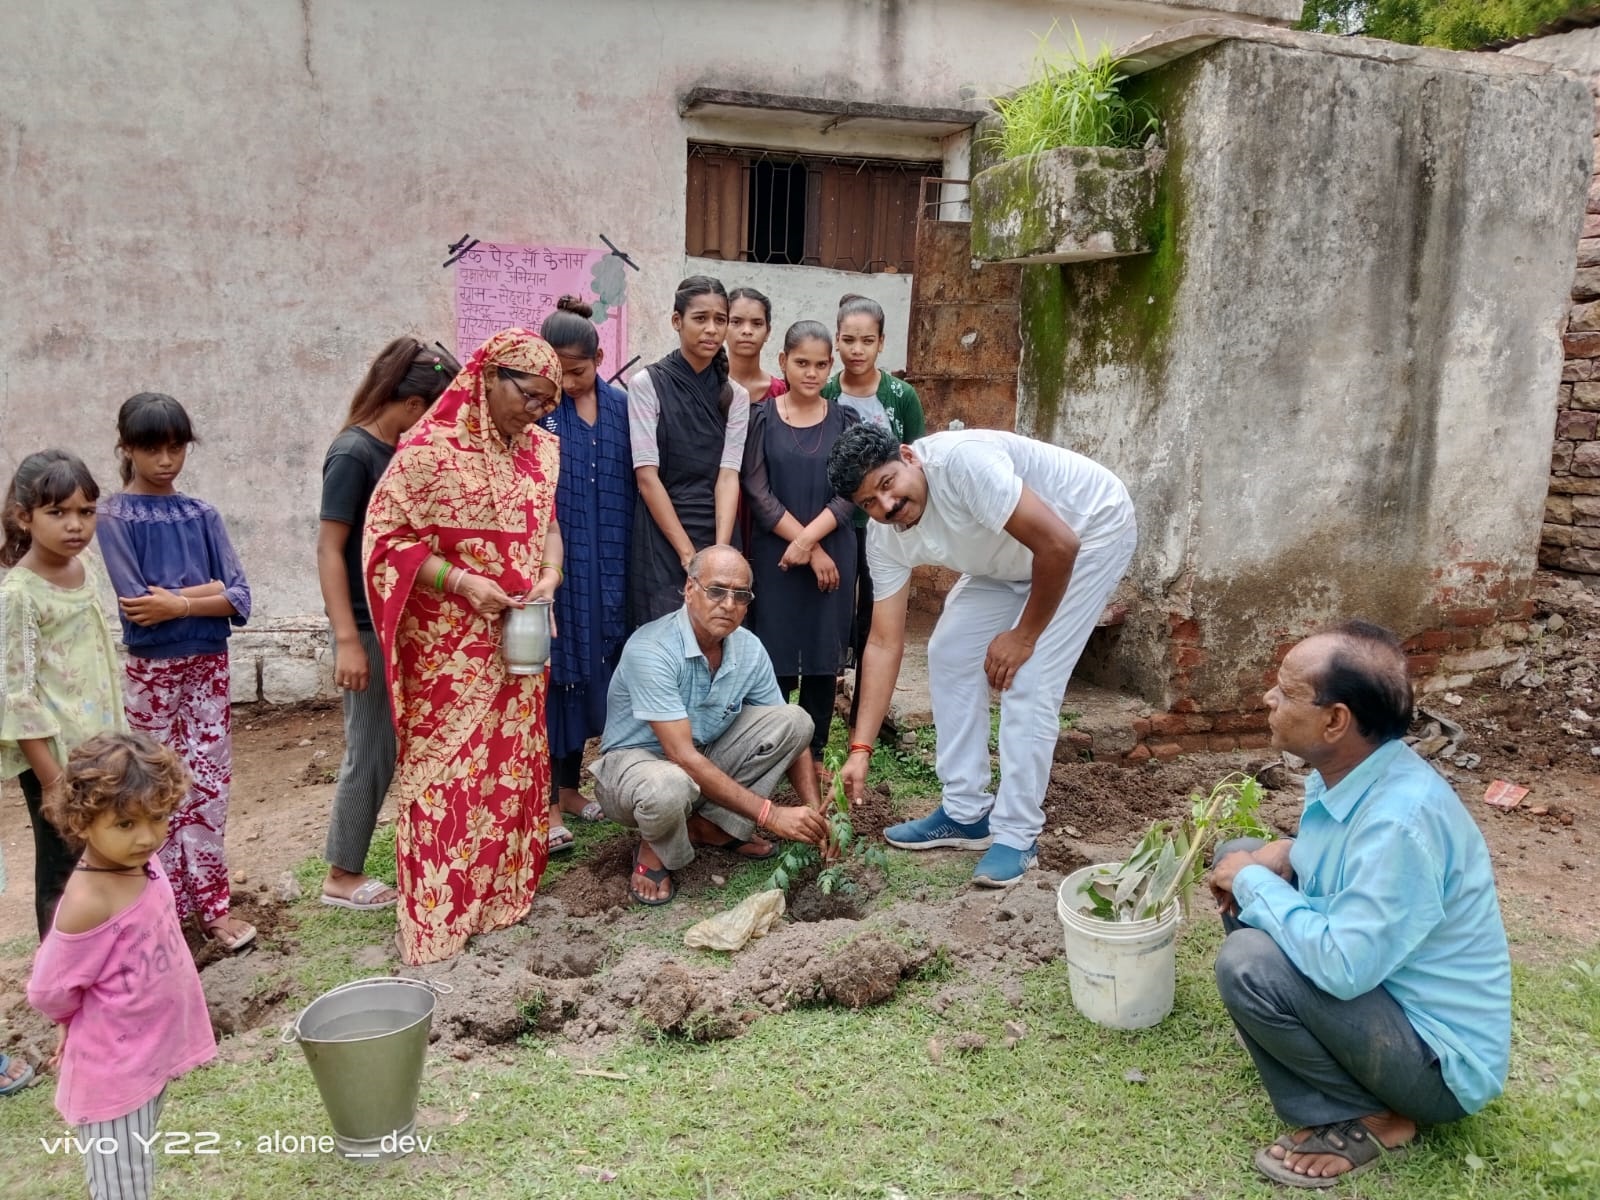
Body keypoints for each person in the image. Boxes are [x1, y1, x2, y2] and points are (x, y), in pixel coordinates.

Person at [1205, 622, 1510, 1189]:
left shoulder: (1400, 819)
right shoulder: (1354, 773)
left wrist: (1253, 882)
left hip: (1437, 1066)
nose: (1269, 699)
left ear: (1335, 720)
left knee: (1249, 958)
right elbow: (1353, 871)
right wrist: (1287, 853)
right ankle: (1338, 1075)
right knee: (1240, 854)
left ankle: (1367, 1115)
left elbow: (1346, 967)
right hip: (1387, 998)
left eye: (1288, 691)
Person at [830, 425, 1136, 887]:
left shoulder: (964, 465)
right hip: (1010, 558)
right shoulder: (886, 537)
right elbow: (883, 642)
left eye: (888, 484)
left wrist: (1024, 636)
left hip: (1088, 532)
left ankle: (1016, 834)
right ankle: (966, 811)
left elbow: (1058, 545)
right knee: (949, 651)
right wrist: (860, 748)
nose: (886, 506)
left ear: (909, 457)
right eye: (869, 502)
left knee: (1030, 680)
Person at [364, 327, 565, 965]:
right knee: (447, 774)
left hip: (519, 639)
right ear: (488, 375)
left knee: (509, 769)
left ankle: (499, 900)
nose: (535, 413)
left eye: (546, 404)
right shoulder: (427, 450)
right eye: (528, 396)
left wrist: (551, 577)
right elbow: (387, 541)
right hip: (449, 646)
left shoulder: (542, 452)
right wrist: (463, 581)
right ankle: (439, 915)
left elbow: (550, 526)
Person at [96, 394, 255, 951]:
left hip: (208, 665)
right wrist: (207, 594)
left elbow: (241, 595)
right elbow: (137, 603)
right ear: (127, 448)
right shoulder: (113, 516)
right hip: (152, 673)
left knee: (209, 785)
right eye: (151, 449)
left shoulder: (202, 514)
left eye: (175, 447)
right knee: (151, 787)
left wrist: (182, 603)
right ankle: (159, 911)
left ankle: (212, 908)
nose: (166, 460)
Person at [28, 731, 216, 1200]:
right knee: (121, 1188)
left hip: (146, 1052)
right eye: (126, 824)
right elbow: (48, 989)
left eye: (157, 818)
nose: (148, 836)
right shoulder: (88, 900)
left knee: (139, 1168)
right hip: (112, 1071)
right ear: (82, 822)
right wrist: (69, 1021)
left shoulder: (141, 864)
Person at [591, 545, 830, 905]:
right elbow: (681, 757)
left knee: (795, 720)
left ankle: (710, 827)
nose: (728, 604)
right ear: (689, 590)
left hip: (700, 760)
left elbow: (793, 738)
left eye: (740, 595)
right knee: (668, 784)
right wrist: (771, 814)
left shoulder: (748, 648)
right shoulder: (652, 648)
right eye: (716, 590)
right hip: (636, 770)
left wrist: (814, 815)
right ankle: (656, 846)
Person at [316, 337, 458, 909]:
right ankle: (341, 874)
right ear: (411, 402)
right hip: (366, 626)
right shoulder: (354, 454)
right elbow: (330, 549)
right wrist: (347, 639)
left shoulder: (391, 452)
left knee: (398, 744)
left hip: (397, 622)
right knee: (372, 747)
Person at [1, 450, 127, 939]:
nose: (75, 525)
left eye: (86, 512)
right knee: (63, 868)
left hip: (104, 749)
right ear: (23, 517)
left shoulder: (85, 565)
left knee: (106, 855)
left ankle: (106, 962)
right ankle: (60, 978)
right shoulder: (19, 595)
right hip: (57, 760)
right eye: (57, 513)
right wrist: (53, 783)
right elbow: (17, 698)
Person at [538, 296, 635, 851]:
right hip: (560, 563)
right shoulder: (539, 413)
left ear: (600, 358)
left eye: (577, 371)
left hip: (612, 558)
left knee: (601, 662)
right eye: (557, 371)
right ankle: (548, 804)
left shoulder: (622, 408)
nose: (567, 382)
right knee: (560, 673)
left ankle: (572, 788)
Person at [742, 320, 859, 776]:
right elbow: (757, 490)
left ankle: (813, 754)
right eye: (801, 363)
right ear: (783, 363)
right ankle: (777, 748)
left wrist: (812, 541)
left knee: (821, 653)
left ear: (830, 367)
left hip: (833, 551)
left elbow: (852, 490)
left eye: (820, 365)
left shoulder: (844, 420)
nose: (811, 373)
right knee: (777, 649)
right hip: (778, 560)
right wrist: (806, 547)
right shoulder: (762, 420)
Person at [819, 294, 925, 732]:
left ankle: (868, 713)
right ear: (837, 342)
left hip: (886, 525)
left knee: (874, 621)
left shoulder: (901, 396)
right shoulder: (824, 390)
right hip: (837, 524)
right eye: (848, 340)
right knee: (834, 616)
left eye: (867, 340)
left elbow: (915, 458)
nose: (857, 349)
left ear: (882, 343)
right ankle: (821, 711)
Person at [627, 275, 751, 626]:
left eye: (720, 319)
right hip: (661, 531)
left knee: (719, 632)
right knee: (663, 634)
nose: (711, 329)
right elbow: (647, 477)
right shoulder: (647, 384)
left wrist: (720, 554)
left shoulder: (736, 396)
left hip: (717, 526)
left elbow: (728, 476)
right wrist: (687, 555)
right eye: (700, 318)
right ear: (677, 321)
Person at [726, 287, 787, 404]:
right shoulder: (706, 388)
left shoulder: (782, 393)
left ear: (768, 332)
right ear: (723, 328)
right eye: (736, 322)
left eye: (757, 323)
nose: (747, 331)